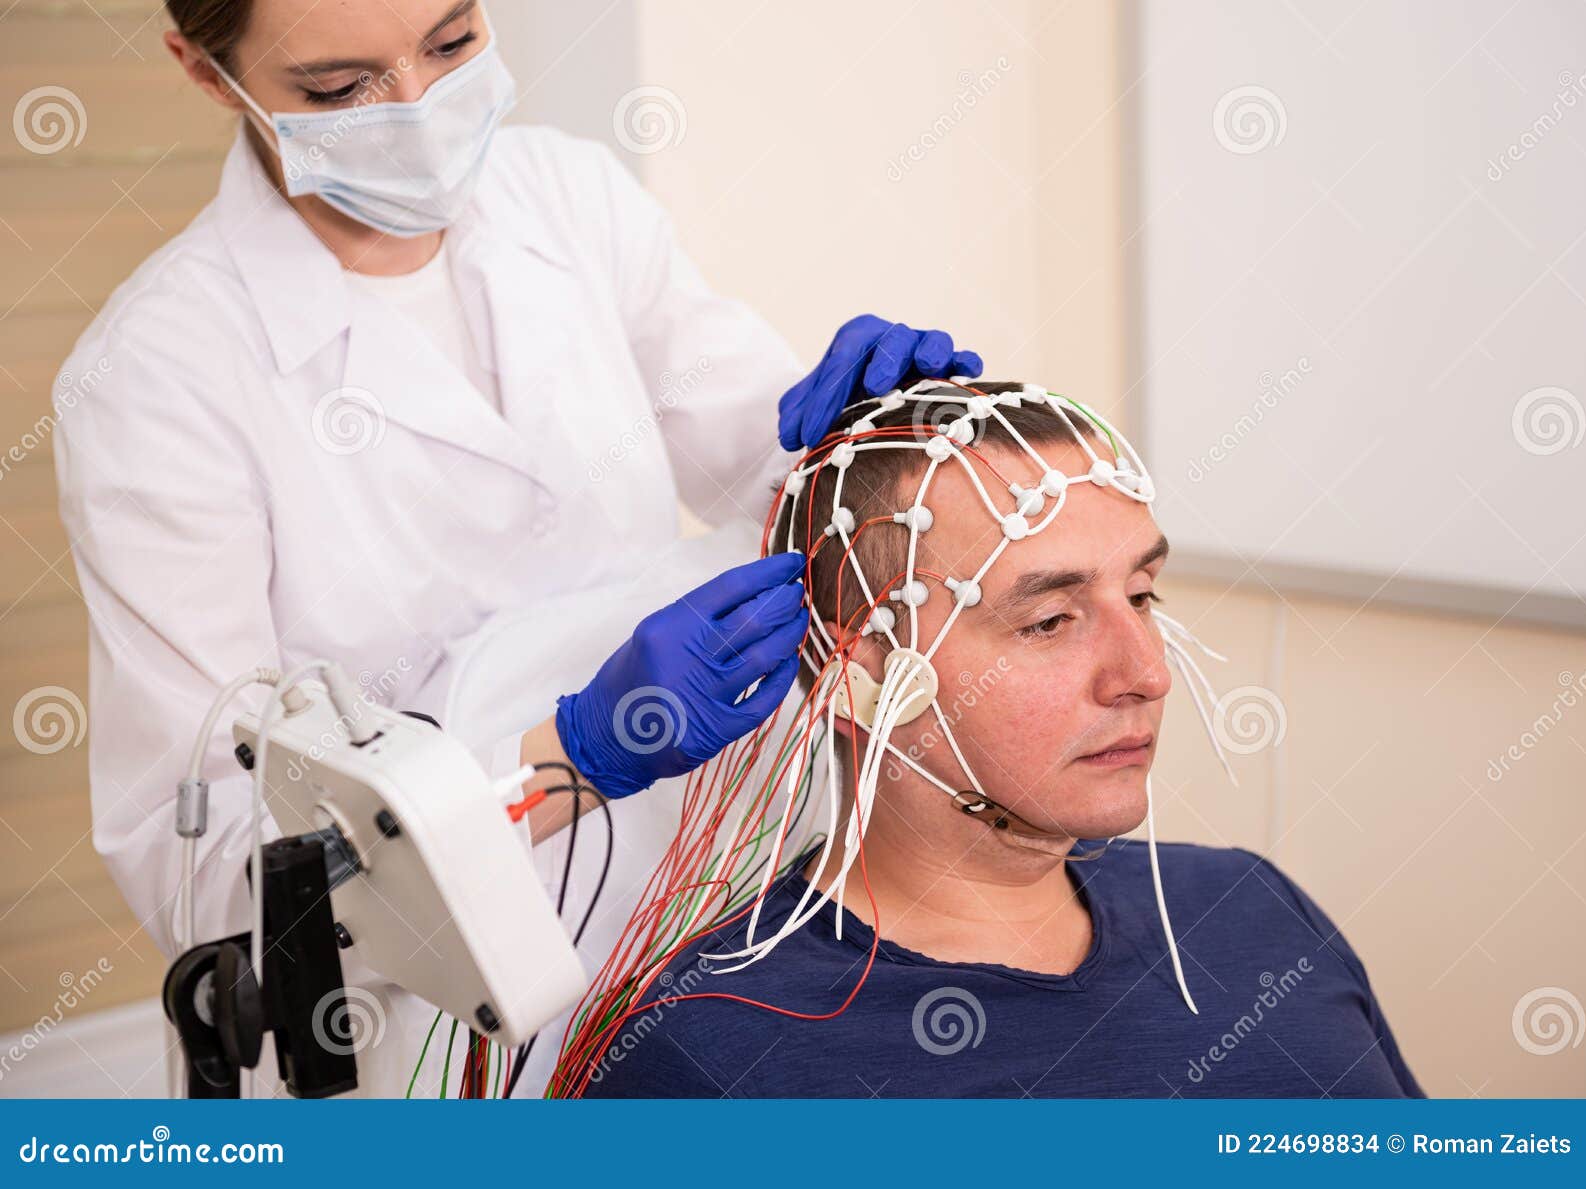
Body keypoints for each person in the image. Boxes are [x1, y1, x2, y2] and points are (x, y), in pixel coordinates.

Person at [52, 0, 983, 1094]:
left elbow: (762, 464)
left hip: (705, 947)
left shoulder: (568, 197)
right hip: (422, 1033)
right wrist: (562, 758)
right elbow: (214, 881)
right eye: (340, 90)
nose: (416, 107)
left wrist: (873, 436)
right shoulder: (155, 380)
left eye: (450, 45)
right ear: (209, 74)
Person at [579, 383, 1424, 1098]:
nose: (1145, 673)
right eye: (1050, 619)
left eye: (1141, 595)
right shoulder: (711, 1053)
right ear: (856, 672)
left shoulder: (1251, 909)